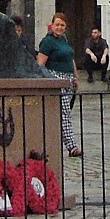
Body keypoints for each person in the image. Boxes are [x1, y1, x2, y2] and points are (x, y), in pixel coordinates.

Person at [36, 13, 82, 156]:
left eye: (62, 25)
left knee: (59, 114)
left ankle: (48, 144)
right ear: (52, 25)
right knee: (64, 113)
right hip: (56, 79)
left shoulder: (64, 40)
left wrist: (75, 77)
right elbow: (40, 64)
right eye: (57, 24)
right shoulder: (48, 42)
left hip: (68, 79)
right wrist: (50, 80)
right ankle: (71, 146)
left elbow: (70, 59)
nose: (59, 27)